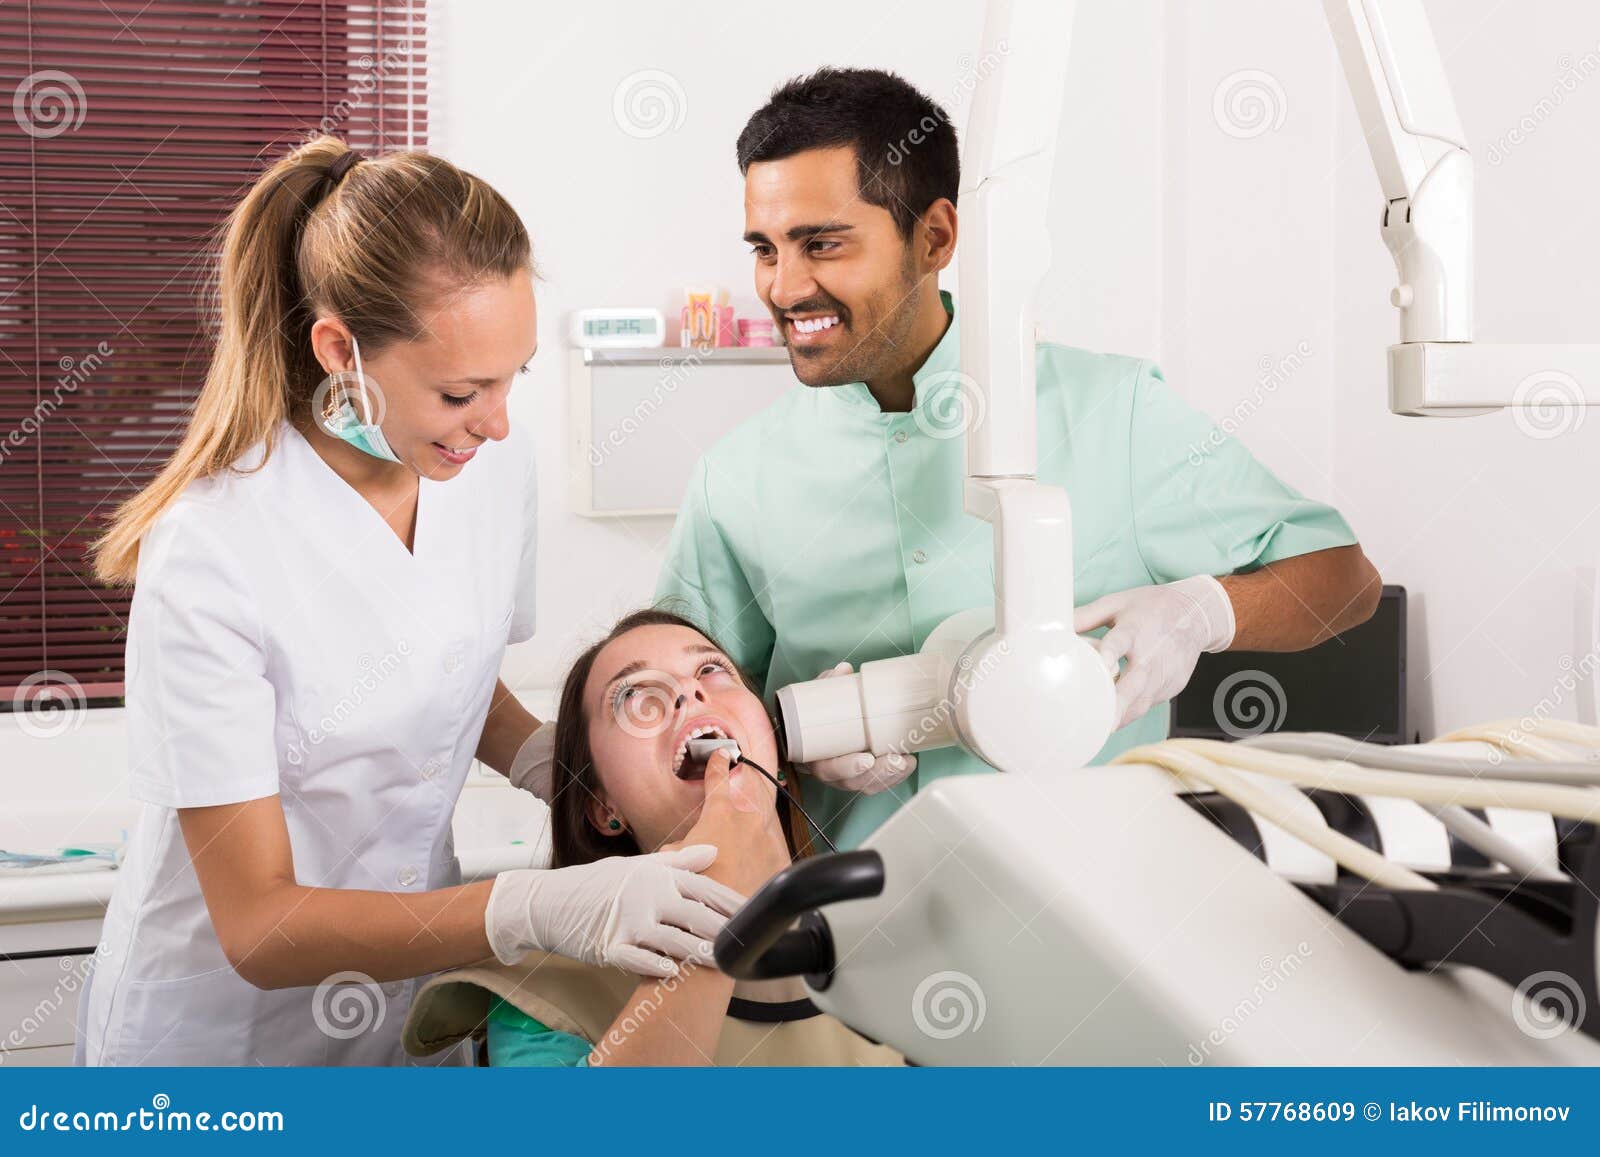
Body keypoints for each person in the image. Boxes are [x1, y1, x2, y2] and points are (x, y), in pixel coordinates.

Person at [77, 137, 740, 1067]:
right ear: (340, 349)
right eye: (463, 390)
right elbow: (259, 925)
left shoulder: (484, 461)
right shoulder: (216, 548)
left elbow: (454, 674)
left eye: (514, 377)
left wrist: (571, 767)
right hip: (218, 1042)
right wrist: (524, 909)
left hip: (403, 1003)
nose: (499, 421)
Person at [656, 68, 1383, 851]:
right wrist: (793, 760)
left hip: (1104, 906)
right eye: (765, 249)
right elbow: (679, 745)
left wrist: (1204, 611)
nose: (785, 286)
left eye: (822, 244)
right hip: (854, 933)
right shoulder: (735, 479)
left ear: (935, 236)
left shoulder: (1116, 411)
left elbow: (1345, 581)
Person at [402, 609, 903, 1066]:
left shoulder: (907, 941)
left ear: (776, 741)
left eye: (710, 670)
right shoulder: (541, 1000)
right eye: (634, 696)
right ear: (603, 807)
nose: (687, 694)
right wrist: (716, 894)